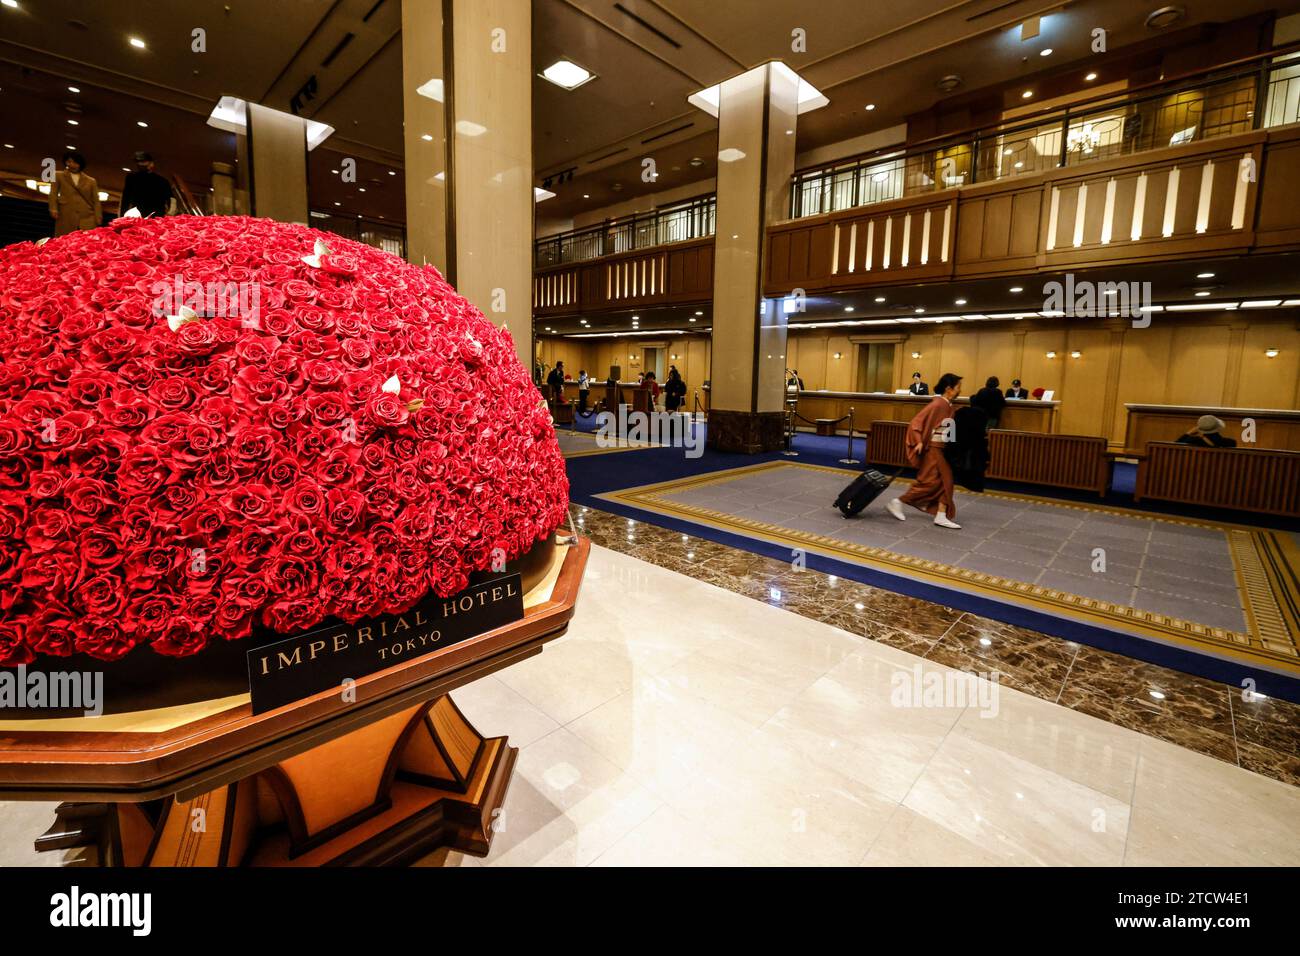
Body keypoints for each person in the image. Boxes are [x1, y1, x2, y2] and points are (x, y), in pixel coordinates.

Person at [887, 372, 963, 529]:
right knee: (930, 483)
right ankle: (899, 501)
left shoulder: (947, 405)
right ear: (949, 388)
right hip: (934, 450)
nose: (960, 391)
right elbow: (916, 422)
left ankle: (941, 514)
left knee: (946, 481)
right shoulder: (938, 404)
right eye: (958, 387)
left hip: (942, 449)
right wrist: (918, 441)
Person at [48, 151, 102, 236]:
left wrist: (98, 217)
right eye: (69, 161)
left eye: (75, 162)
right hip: (65, 214)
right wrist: (53, 208)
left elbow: (96, 200)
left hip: (87, 217)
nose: (72, 164)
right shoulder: (58, 175)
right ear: (65, 162)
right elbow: (53, 193)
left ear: (80, 164)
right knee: (63, 240)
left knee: (85, 242)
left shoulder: (91, 181)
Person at [119, 151, 173, 219]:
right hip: (140, 216)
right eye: (139, 163)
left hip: (154, 217)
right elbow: (126, 198)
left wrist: (170, 214)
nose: (140, 164)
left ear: (151, 163)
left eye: (143, 162)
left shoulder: (162, 181)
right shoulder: (132, 178)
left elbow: (171, 200)